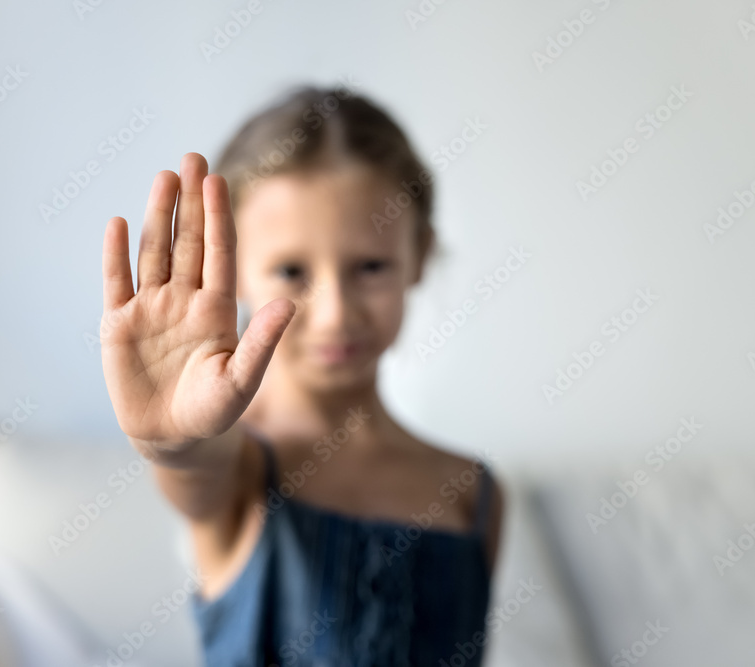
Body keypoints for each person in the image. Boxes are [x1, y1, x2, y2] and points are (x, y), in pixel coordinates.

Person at [99, 85, 505, 666]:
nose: (336, 312)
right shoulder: (239, 470)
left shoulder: (474, 494)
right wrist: (173, 439)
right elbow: (196, 472)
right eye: (292, 269)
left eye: (370, 266)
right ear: (233, 270)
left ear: (419, 255)